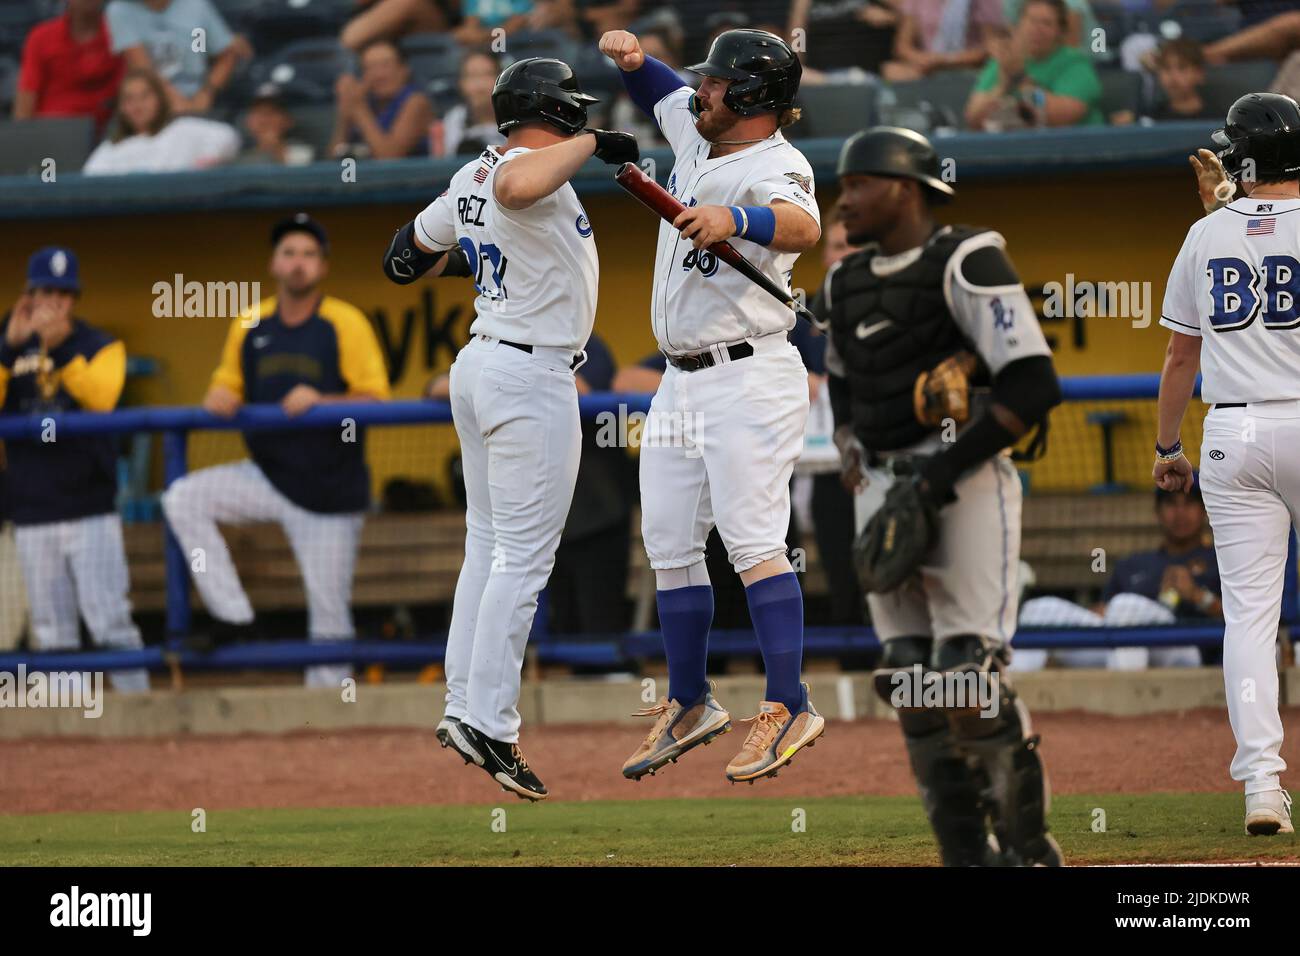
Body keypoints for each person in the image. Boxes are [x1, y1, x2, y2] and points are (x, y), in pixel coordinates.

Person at [382, 57, 637, 800]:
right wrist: (596, 145)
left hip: (484, 363)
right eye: (575, 112)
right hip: (528, 373)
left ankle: (465, 704)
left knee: (490, 548)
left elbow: (402, 260)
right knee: (521, 559)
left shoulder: (469, 173)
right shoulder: (528, 165)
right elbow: (519, 184)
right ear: (555, 109)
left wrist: (482, 258)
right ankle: (489, 721)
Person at [823, 127, 1063, 865]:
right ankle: (966, 853)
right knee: (909, 679)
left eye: (858, 183)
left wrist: (935, 474)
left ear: (903, 185)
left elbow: (1033, 384)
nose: (845, 199)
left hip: (958, 484)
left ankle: (1028, 848)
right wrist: (847, 442)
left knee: (965, 675)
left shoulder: (968, 258)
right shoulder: (842, 280)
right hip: (885, 481)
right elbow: (841, 373)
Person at [600, 27, 826, 784]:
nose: (703, 92)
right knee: (666, 542)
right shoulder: (698, 137)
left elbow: (803, 226)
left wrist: (736, 220)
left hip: (748, 372)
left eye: (719, 84)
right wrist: (636, 63)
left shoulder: (778, 163)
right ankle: (691, 700)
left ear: (754, 97)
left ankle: (789, 703)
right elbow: (662, 92)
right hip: (680, 378)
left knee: (754, 543)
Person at [1153, 91, 1300, 837]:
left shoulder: (1204, 232)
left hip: (1233, 432)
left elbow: (1182, 353)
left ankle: (1263, 787)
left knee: (1247, 618)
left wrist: (1166, 447)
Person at [161, 214, 391, 688]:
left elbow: (376, 399)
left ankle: (326, 727)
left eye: (308, 254)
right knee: (182, 497)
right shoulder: (250, 321)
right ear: (274, 263)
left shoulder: (344, 321)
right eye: (289, 253)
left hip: (328, 492)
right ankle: (233, 615)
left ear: (323, 267)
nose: (298, 263)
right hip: (267, 476)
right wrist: (218, 397)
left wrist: (321, 400)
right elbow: (226, 384)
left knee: (329, 621)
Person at [0, 247, 149, 692]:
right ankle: (68, 729)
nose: (54, 303)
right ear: (28, 296)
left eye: (63, 294)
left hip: (90, 507)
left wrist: (59, 346)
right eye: (45, 292)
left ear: (75, 299)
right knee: (51, 631)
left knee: (110, 620)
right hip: (31, 508)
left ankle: (140, 713)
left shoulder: (100, 345)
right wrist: (8, 350)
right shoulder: (5, 343)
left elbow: (101, 400)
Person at [1016, 483, 1216, 669]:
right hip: (1122, 647)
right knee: (1038, 611)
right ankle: (1001, 702)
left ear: (1204, 511)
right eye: (1171, 504)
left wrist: (1198, 596)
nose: (1180, 513)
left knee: (1125, 606)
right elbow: (1104, 610)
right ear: (1158, 512)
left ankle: (1127, 702)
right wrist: (1101, 611)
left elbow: (1245, 621)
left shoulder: (1220, 560)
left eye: (1189, 503)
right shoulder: (1132, 564)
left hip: (1185, 647)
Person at [964, 0, 1102, 131]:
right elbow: (973, 118)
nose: (1037, 29)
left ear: (1060, 32)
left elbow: (1059, 117)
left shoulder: (1075, 64)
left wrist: (1019, 79)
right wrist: (1001, 86)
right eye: (1031, 21)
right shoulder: (1005, 61)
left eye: (1046, 23)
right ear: (1018, 26)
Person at [82, 68, 240, 175]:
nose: (137, 105)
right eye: (129, 99)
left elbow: (228, 137)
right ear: (121, 107)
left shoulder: (183, 129)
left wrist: (204, 164)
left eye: (145, 96)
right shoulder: (110, 149)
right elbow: (89, 186)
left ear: (160, 100)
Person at [104, 0, 241, 115]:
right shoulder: (119, 10)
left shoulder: (196, 4)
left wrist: (206, 93)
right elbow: (142, 67)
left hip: (200, 94)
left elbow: (227, 54)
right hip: (150, 102)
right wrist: (182, 107)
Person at [14, 0, 125, 130]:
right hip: (53, 132)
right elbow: (26, 99)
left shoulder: (120, 34)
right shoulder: (41, 37)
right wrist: (22, 140)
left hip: (106, 133)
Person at [329, 39, 434, 160]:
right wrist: (346, 113)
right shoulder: (366, 102)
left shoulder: (416, 101)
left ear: (404, 69)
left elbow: (389, 158)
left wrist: (358, 108)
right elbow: (334, 159)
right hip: (361, 177)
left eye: (386, 65)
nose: (379, 75)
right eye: (370, 68)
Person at [883, 0, 1005, 83]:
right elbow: (903, 45)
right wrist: (922, 59)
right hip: (926, 71)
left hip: (969, 74)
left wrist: (945, 61)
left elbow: (992, 47)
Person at [434, 49, 505, 157]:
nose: (480, 86)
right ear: (461, 83)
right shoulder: (454, 118)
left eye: (488, 74)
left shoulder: (516, 118)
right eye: (472, 76)